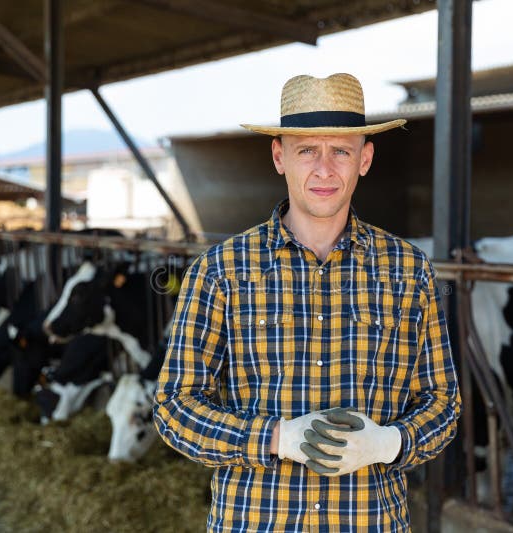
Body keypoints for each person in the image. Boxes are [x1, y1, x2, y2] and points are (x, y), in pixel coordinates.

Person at [153, 73, 461, 532]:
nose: (324, 169)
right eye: (306, 150)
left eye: (340, 150)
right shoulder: (219, 270)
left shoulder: (408, 271)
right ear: (279, 157)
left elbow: (443, 404)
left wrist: (387, 443)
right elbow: (173, 407)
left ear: (365, 159)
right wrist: (278, 438)